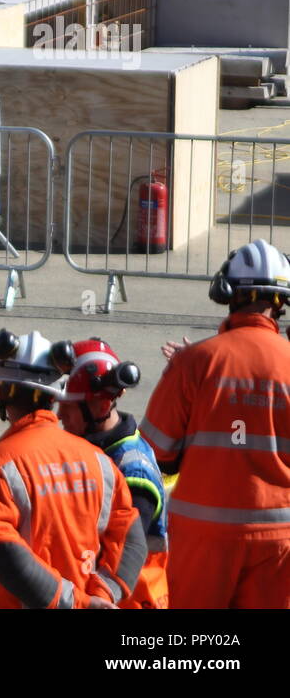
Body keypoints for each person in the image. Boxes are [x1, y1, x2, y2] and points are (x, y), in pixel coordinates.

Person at [141, 239, 290, 609]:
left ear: (227, 293)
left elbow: (156, 454)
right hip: (280, 538)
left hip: (203, 535)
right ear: (282, 302)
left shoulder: (194, 363)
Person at [0, 329, 146, 609]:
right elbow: (131, 537)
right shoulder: (98, 459)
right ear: (55, 395)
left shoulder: (0, 463)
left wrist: (76, 604)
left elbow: (3, 550)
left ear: (1, 388)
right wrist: (101, 596)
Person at [53, 338, 170, 608]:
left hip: (129, 599)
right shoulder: (93, 450)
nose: (60, 414)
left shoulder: (132, 470)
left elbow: (124, 552)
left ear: (101, 406)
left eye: (69, 406)